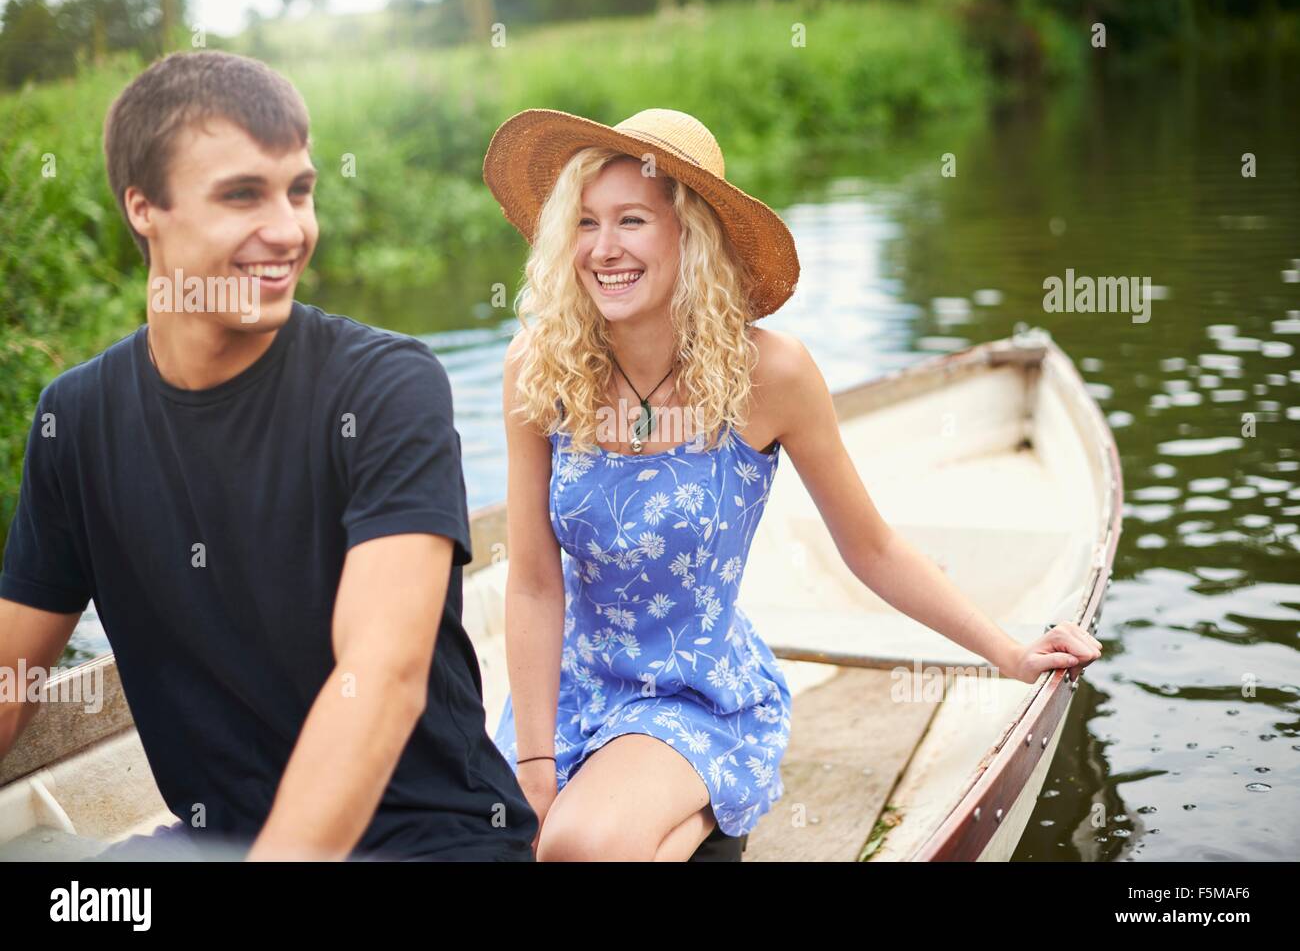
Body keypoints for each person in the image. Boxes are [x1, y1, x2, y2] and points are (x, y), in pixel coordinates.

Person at [481, 107, 1104, 862]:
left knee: (575, 845)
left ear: (691, 233)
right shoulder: (538, 366)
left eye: (631, 220)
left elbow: (870, 547)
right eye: (584, 223)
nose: (604, 249)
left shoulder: (769, 375)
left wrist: (1007, 652)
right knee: (496, 840)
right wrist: (536, 763)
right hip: (572, 688)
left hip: (692, 693)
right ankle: (693, 833)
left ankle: (707, 803)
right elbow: (536, 584)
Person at [0, 50, 536, 861]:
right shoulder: (74, 421)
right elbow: (13, 683)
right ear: (144, 207)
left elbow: (382, 677)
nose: (289, 229)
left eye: (300, 189)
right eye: (242, 194)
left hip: (431, 843)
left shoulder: (387, 388)